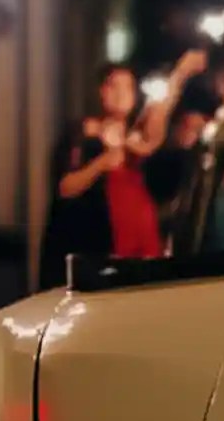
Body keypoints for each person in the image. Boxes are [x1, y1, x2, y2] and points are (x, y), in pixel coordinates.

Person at [38, 52, 205, 289]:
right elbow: (65, 188)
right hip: (99, 244)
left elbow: (154, 130)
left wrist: (179, 75)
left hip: (139, 240)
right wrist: (102, 164)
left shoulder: (133, 135)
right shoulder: (83, 135)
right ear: (99, 91)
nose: (121, 93)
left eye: (128, 87)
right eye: (113, 86)